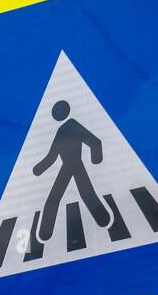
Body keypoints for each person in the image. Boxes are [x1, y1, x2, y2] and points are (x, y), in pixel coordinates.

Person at [32, 99, 111, 240]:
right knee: (79, 195)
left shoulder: (72, 126)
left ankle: (103, 219)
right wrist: (37, 170)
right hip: (68, 166)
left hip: (74, 165)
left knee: (75, 196)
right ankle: (45, 233)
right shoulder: (61, 130)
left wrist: (96, 159)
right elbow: (52, 156)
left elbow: (94, 142)